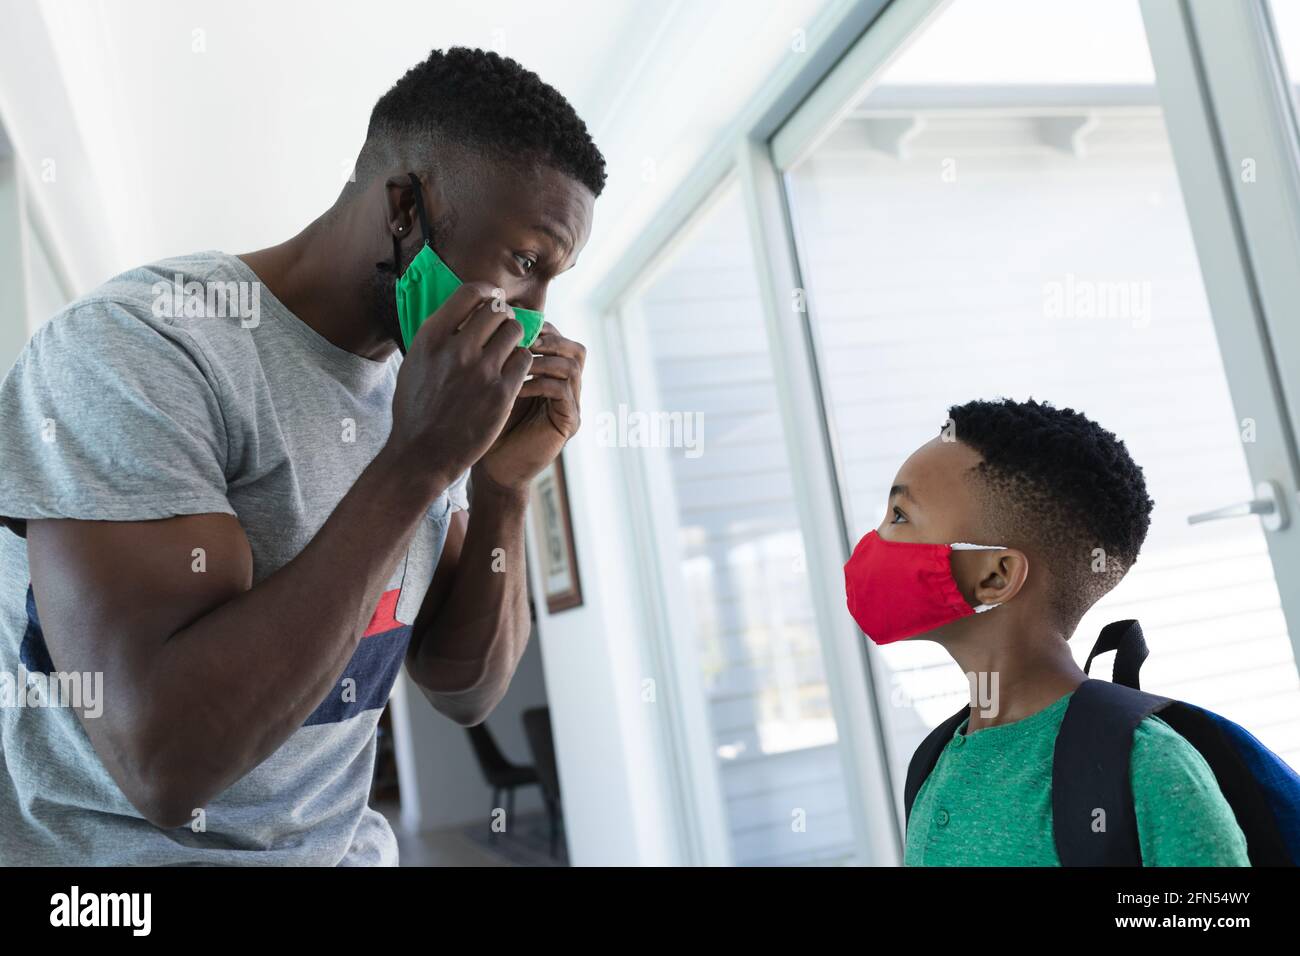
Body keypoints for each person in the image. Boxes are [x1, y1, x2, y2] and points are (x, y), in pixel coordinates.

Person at [0, 47, 604, 865]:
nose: (534, 320)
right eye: (525, 265)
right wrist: (416, 463)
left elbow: (465, 690)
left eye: (550, 283)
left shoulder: (426, 387)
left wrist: (504, 486)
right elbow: (168, 760)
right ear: (404, 210)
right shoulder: (137, 348)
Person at [844, 397, 1250, 865]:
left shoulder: (1148, 768)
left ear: (995, 576)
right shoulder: (935, 763)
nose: (874, 541)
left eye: (899, 516)